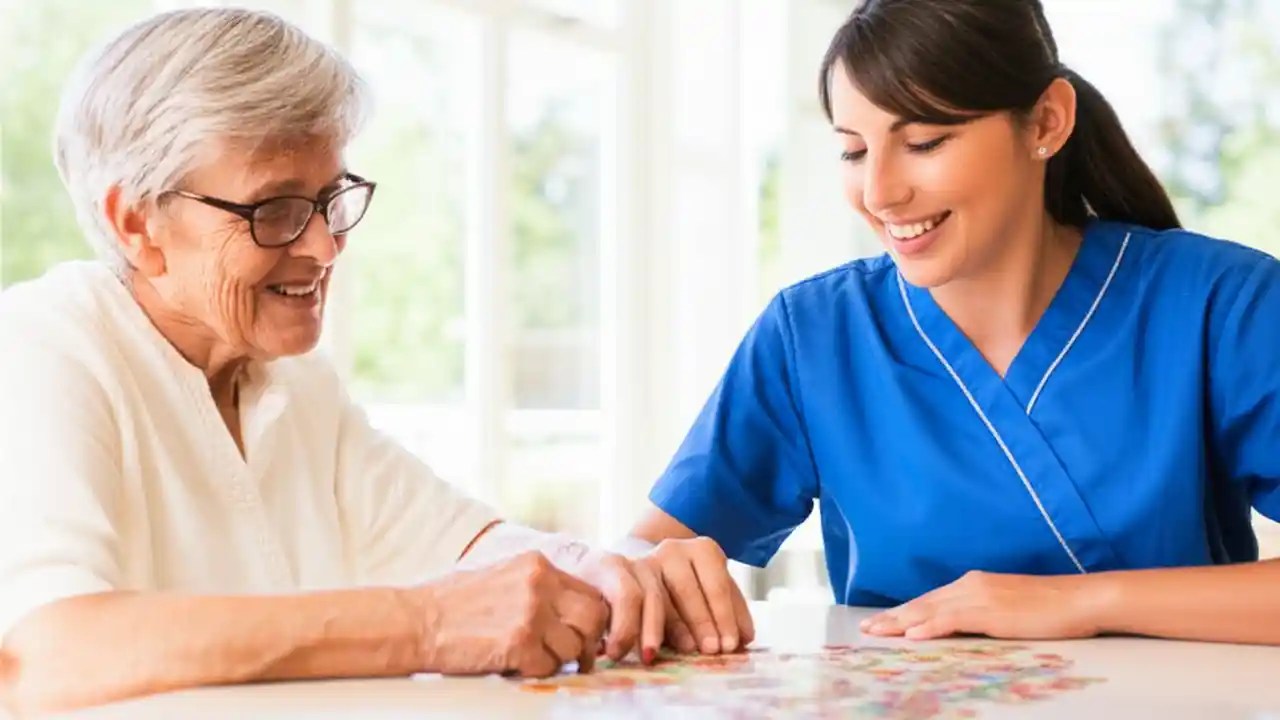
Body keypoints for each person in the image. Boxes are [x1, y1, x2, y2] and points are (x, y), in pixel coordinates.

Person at [0, 8, 745, 714]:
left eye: (331, 197)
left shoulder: (286, 383)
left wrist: (609, 571)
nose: (324, 246)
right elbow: (43, 653)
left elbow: (461, 545)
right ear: (136, 222)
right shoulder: (42, 349)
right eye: (277, 210)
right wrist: (423, 627)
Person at [626, 0, 1280, 645]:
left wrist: (1077, 603)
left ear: (1046, 122)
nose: (880, 193)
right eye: (854, 151)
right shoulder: (815, 336)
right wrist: (646, 569)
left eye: (923, 142)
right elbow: (648, 552)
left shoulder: (1226, 306)